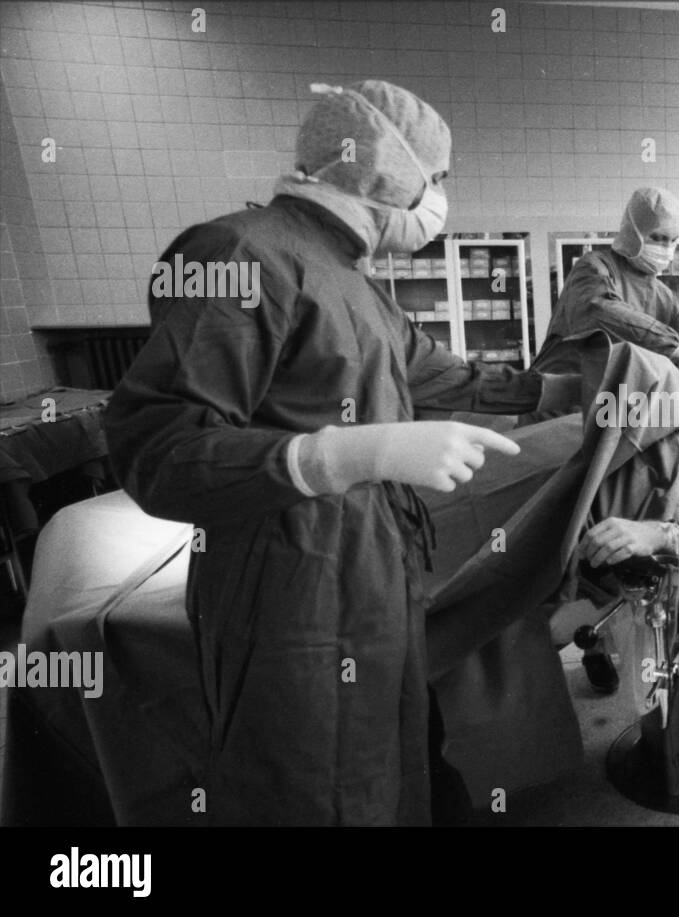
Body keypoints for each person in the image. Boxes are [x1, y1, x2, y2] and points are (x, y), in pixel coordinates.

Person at [104, 80, 576, 826]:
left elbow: (437, 372)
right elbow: (157, 450)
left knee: (392, 773)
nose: (441, 201)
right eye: (439, 179)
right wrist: (347, 454)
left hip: (372, 581)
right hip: (290, 601)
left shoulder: (353, 281)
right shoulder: (238, 252)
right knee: (308, 789)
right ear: (390, 169)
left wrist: (567, 390)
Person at [530, 187, 679, 394]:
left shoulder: (664, 296)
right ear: (633, 233)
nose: (666, 248)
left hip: (609, 407)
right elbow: (599, 310)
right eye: (657, 238)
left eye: (673, 240)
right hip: (559, 401)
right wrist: (677, 347)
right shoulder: (594, 267)